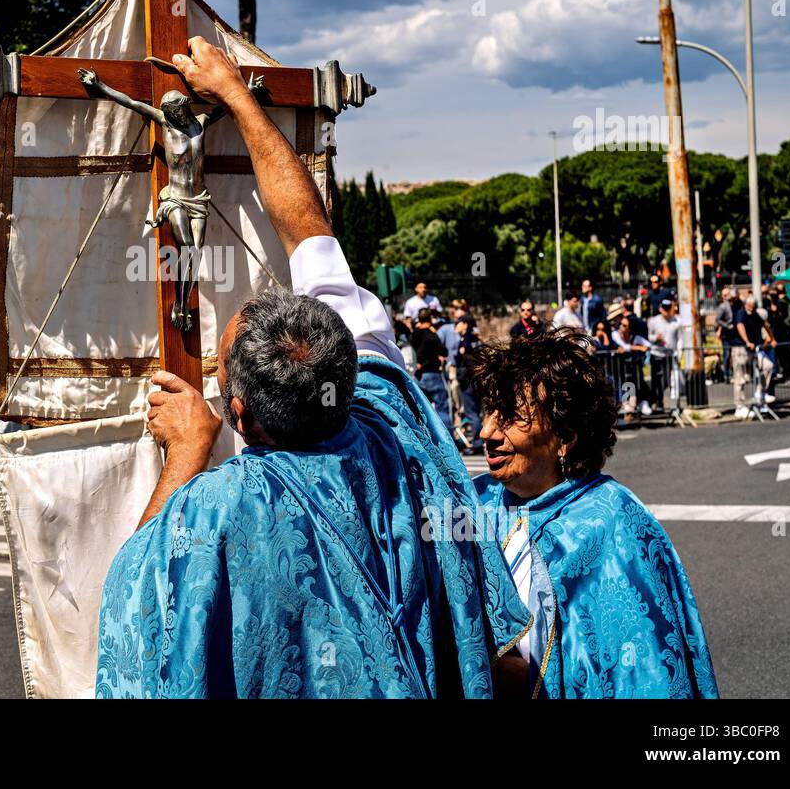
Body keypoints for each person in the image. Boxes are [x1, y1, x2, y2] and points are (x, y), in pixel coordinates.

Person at [96, 36, 528, 699]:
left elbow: (136, 597)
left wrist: (187, 452)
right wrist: (237, 95)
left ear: (241, 415)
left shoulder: (222, 505)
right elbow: (309, 232)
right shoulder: (392, 416)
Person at [469, 330, 717, 698]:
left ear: (565, 437)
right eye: (490, 411)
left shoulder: (612, 520)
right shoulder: (476, 500)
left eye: (511, 417)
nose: (486, 431)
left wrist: (522, 675)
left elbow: (639, 671)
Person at [409, 307, 451, 431]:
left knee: (421, 409)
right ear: (430, 318)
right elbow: (444, 351)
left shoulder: (414, 334)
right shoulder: (431, 335)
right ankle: (447, 436)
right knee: (442, 407)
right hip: (432, 374)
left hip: (417, 376)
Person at [733, 294, 774, 417]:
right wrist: (746, 341)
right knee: (740, 377)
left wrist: (772, 338)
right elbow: (740, 326)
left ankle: (761, 393)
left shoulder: (755, 314)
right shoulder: (741, 314)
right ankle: (739, 406)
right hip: (741, 348)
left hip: (754, 349)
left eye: (754, 307)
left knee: (767, 366)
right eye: (751, 306)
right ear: (747, 305)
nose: (752, 309)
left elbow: (765, 324)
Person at [611, 315, 651, 416]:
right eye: (620, 324)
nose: (621, 327)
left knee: (635, 383)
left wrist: (641, 347)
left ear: (630, 328)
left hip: (633, 366)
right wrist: (639, 348)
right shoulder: (615, 334)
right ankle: (623, 405)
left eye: (624, 325)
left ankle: (636, 405)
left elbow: (648, 345)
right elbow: (624, 346)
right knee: (621, 384)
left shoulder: (635, 337)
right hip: (617, 365)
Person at [455, 314, 484, 454]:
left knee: (471, 413)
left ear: (465, 324)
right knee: (476, 413)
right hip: (476, 379)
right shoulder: (476, 338)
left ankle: (477, 444)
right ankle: (478, 442)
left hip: (468, 380)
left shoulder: (466, 340)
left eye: (458, 323)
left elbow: (466, 361)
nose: (456, 326)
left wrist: (462, 375)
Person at [646, 298, 681, 409]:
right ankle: (657, 401)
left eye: (668, 308)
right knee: (656, 379)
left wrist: (678, 352)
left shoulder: (676, 321)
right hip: (656, 353)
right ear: (660, 309)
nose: (666, 311)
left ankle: (658, 399)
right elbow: (648, 337)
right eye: (664, 308)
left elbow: (679, 338)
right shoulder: (653, 321)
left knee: (665, 380)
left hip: (669, 355)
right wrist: (656, 338)